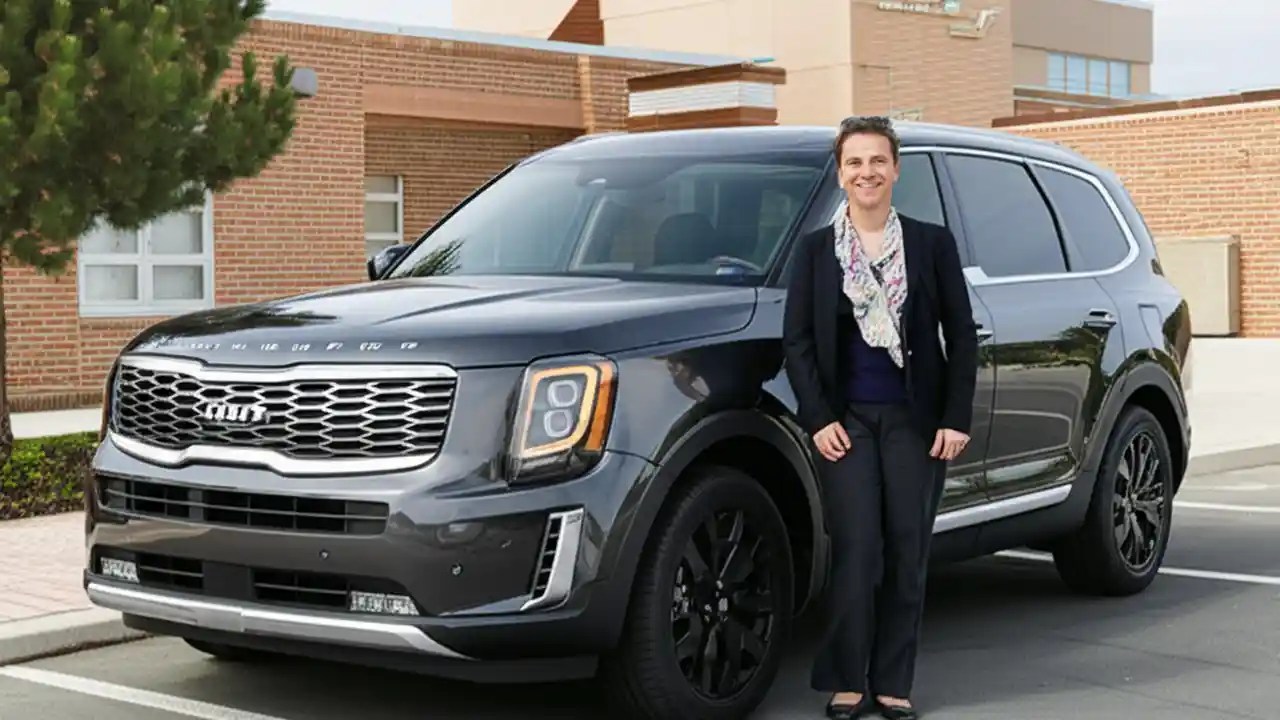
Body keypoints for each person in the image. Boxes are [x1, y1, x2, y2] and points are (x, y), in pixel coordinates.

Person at [782, 116, 979, 719]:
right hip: (846, 424)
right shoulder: (816, 251)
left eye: (877, 161)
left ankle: (893, 679)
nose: (866, 172)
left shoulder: (930, 243)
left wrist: (955, 416)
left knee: (906, 548)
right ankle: (848, 677)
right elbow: (797, 342)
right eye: (854, 163)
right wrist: (817, 418)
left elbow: (962, 334)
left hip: (914, 423)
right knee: (858, 551)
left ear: (895, 169)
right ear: (840, 174)